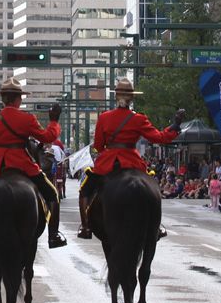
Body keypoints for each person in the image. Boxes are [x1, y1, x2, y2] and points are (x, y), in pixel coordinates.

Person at [76, 78, 183, 239]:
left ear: (116, 96)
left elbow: (98, 145)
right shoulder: (139, 119)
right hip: (132, 161)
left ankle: (85, 227)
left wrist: (107, 149)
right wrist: (175, 126)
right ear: (131, 98)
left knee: (85, 190)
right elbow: (159, 137)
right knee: (151, 187)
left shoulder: (104, 117)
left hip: (107, 162)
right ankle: (156, 226)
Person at [0, 76, 66, 252]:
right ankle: (53, 236)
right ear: (18, 99)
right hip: (22, 162)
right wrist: (54, 121)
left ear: (3, 98)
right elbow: (47, 137)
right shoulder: (27, 118)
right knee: (52, 194)